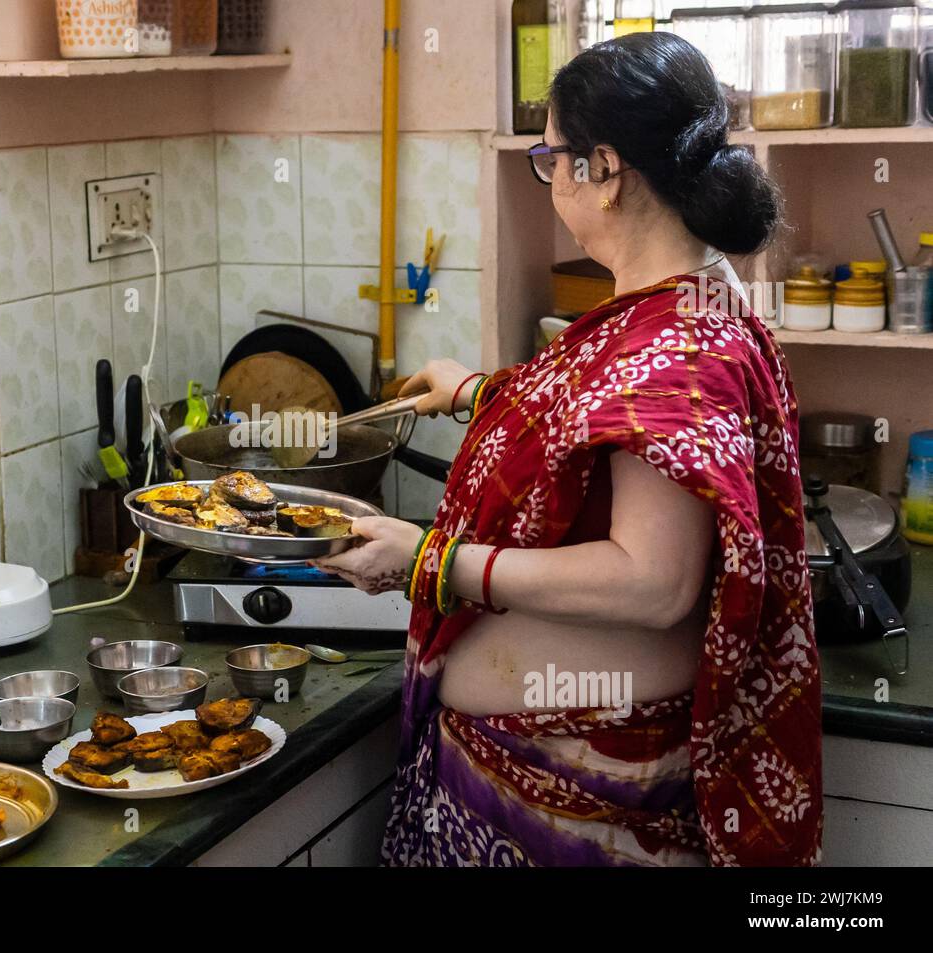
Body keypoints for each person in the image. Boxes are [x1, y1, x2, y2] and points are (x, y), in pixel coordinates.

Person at [314, 32, 821, 866]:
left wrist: (433, 564)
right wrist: (477, 394)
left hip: (582, 796)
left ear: (606, 170)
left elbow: (655, 582)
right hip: (544, 769)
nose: (550, 180)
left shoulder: (679, 349)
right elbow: (600, 424)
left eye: (552, 159)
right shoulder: (694, 296)